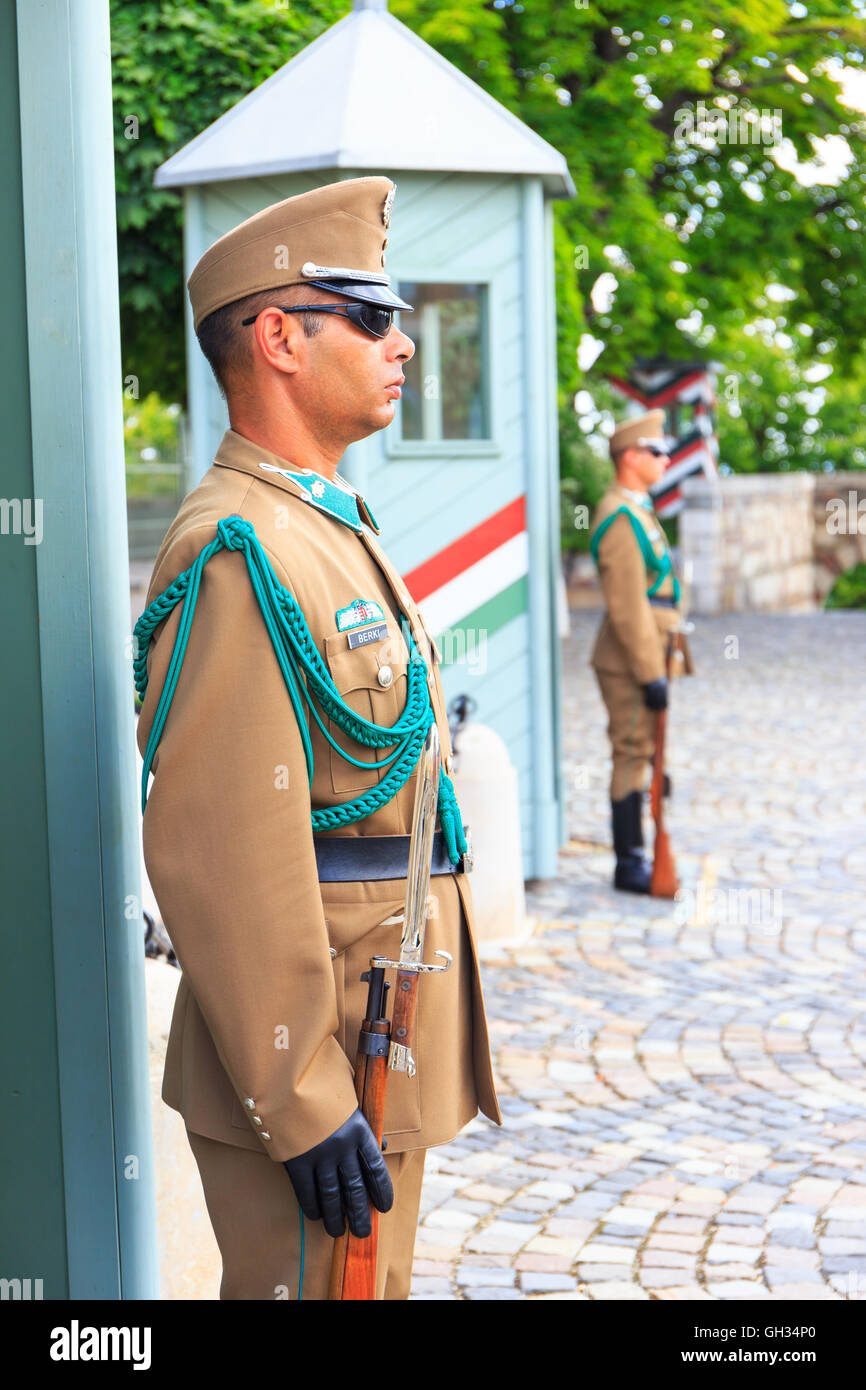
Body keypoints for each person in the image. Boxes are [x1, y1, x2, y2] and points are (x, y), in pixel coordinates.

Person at [135, 176, 501, 1300]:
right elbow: (222, 845)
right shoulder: (239, 548)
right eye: (372, 317)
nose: (400, 344)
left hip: (375, 1029)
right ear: (281, 337)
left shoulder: (317, 522)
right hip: (314, 1051)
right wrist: (300, 1097)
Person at [588, 409, 693, 893]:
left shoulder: (638, 508)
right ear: (631, 457)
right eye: (657, 451)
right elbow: (628, 604)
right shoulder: (619, 514)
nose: (665, 458)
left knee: (646, 753)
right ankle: (629, 864)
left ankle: (639, 854)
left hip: (652, 652)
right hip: (632, 657)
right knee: (631, 754)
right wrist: (651, 673)